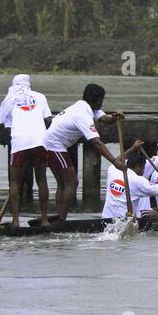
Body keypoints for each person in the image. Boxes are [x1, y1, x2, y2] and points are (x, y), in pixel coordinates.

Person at [43, 83, 128, 221]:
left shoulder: (84, 105)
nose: (102, 103)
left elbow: (104, 118)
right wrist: (115, 162)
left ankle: (59, 217)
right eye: (102, 100)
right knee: (72, 183)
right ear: (97, 100)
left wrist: (113, 118)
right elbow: (97, 143)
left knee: (62, 183)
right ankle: (61, 221)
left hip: (52, 144)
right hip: (53, 145)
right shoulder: (82, 115)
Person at [0, 74, 52, 228]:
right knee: (41, 180)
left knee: (14, 182)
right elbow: (48, 121)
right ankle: (45, 220)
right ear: (28, 84)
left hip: (19, 142)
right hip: (39, 141)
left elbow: (5, 124)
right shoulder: (40, 97)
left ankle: (15, 221)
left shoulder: (9, 100)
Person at [102, 134, 158, 219]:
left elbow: (116, 161)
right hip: (125, 222)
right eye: (143, 168)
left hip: (106, 218)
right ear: (138, 166)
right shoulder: (138, 180)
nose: (143, 171)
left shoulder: (113, 169)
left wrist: (133, 148)